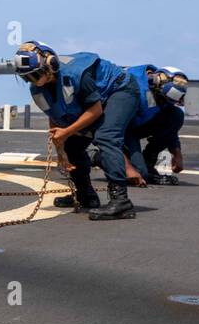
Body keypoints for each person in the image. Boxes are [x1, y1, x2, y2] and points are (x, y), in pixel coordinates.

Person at [14, 41, 138, 220]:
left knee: (106, 137)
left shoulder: (77, 74)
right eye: (28, 78)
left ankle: (121, 201)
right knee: (72, 145)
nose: (34, 81)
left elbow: (95, 110)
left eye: (36, 74)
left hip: (119, 89)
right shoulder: (38, 90)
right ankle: (85, 195)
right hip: (95, 101)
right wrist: (61, 151)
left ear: (51, 63)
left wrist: (66, 132)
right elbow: (55, 118)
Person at [122, 65, 188, 186]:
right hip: (120, 128)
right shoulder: (133, 89)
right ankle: (96, 157)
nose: (165, 103)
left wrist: (176, 153)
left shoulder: (162, 91)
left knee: (176, 114)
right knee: (140, 173)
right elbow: (113, 127)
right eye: (163, 100)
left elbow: (170, 120)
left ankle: (148, 161)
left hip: (137, 122)